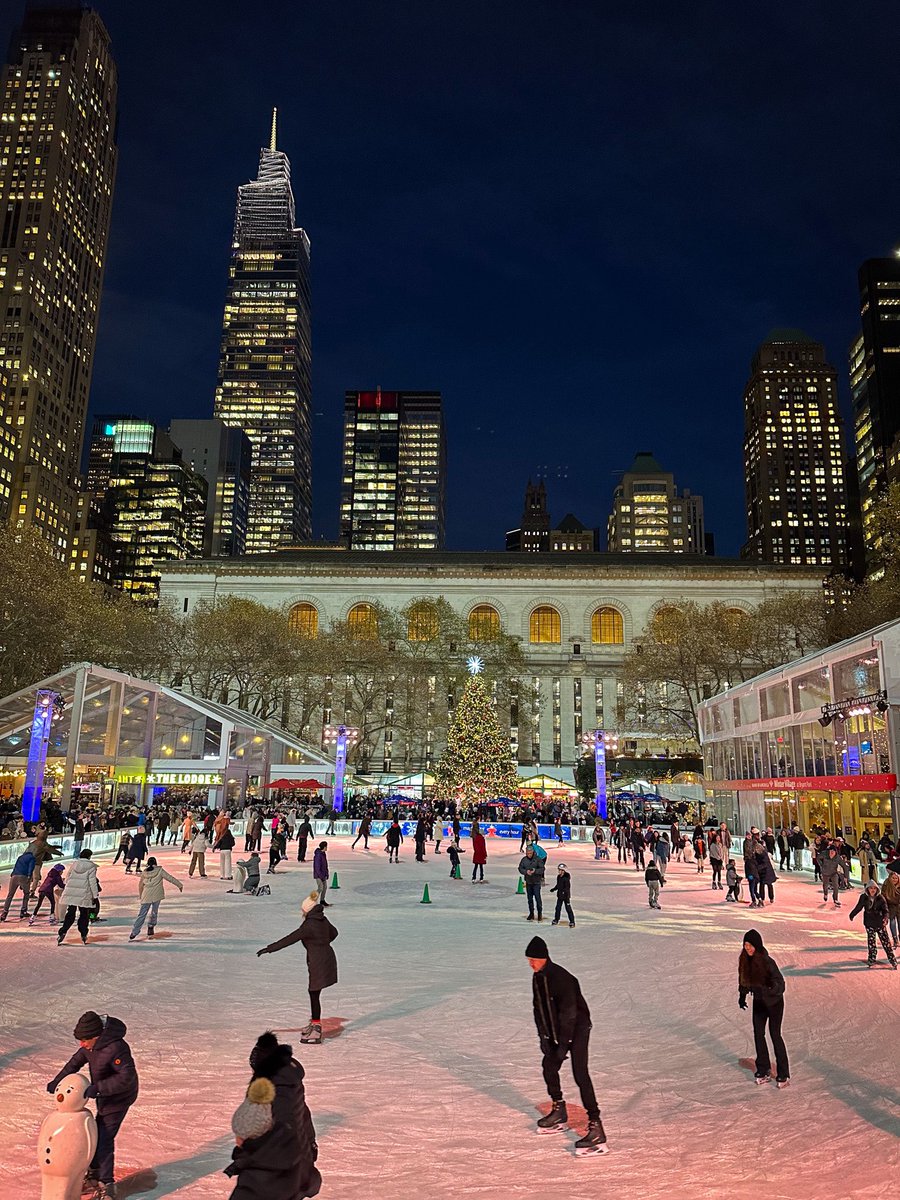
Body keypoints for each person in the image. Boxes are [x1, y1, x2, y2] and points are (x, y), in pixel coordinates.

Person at [525, 936, 607, 1154]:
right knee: (548, 1066)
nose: (531, 964)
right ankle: (559, 1109)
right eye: (529, 959)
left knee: (580, 1075)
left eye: (534, 959)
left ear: (544, 958)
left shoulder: (562, 979)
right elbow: (539, 1009)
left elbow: (569, 1015)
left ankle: (596, 1127)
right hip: (558, 1032)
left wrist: (564, 1045)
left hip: (577, 1030)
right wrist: (544, 1038)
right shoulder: (538, 977)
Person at [47, 1010, 139, 1200]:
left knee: (104, 1139)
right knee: (97, 1134)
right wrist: (57, 1081)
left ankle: (107, 1186)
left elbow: (127, 1077)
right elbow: (74, 1063)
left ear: (96, 1036)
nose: (82, 1044)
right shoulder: (89, 1047)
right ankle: (95, 1173)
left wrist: (97, 1088)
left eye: (85, 1040)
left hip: (119, 1098)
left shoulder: (117, 1047)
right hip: (104, 1095)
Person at [223, 1031, 321, 1198]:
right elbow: (302, 1117)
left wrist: (247, 1156)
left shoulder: (267, 1094)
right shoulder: (290, 1084)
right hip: (296, 1167)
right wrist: (310, 1147)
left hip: (279, 1173)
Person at [257, 891, 339, 1045]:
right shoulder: (322, 919)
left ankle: (316, 1028)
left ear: (307, 910)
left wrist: (269, 949)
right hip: (327, 958)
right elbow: (334, 933)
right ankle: (315, 1022)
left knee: (314, 992)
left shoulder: (309, 925)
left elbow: (289, 939)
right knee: (314, 992)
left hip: (318, 961)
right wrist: (322, 942)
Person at [738, 929, 789, 1087]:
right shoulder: (745, 960)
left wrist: (769, 989)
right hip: (760, 1003)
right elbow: (744, 980)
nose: (748, 948)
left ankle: (783, 1074)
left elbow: (781, 983)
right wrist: (742, 995)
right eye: (746, 945)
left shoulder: (767, 961)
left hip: (774, 1003)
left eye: (750, 945)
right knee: (758, 1034)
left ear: (757, 945)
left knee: (775, 1035)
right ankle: (763, 1068)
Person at [129, 856, 183, 940]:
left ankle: (134, 932)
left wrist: (141, 895)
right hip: (157, 895)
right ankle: (151, 926)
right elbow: (170, 878)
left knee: (142, 914)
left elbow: (140, 885)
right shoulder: (159, 870)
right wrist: (179, 885)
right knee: (154, 912)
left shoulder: (144, 872)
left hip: (146, 896)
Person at [850, 879, 898, 969]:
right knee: (871, 942)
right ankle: (872, 958)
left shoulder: (881, 898)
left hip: (880, 923)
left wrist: (885, 918)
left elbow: (885, 910)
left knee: (886, 943)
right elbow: (859, 907)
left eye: (874, 888)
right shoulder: (863, 897)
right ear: (867, 889)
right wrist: (852, 914)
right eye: (871, 888)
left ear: (877, 889)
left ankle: (892, 960)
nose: (872, 890)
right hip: (869, 923)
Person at [57, 849, 99, 945]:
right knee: (84, 914)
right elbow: (92, 882)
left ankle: (63, 931)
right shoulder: (91, 866)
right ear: (89, 856)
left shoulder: (74, 864)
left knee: (70, 913)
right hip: (84, 893)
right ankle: (83, 933)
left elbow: (67, 878)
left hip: (72, 893)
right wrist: (95, 895)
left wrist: (69, 888)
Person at [0, 847, 36, 921]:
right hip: (24, 876)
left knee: (10, 895)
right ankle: (23, 910)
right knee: (26, 893)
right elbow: (31, 867)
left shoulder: (20, 857)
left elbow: (16, 866)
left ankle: (5, 912)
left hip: (14, 876)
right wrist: (29, 876)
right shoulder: (32, 858)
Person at [518, 844, 545, 922]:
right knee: (530, 899)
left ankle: (540, 914)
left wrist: (535, 871)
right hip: (529, 882)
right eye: (527, 853)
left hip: (536, 882)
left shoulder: (538, 859)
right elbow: (520, 868)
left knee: (537, 898)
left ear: (533, 852)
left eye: (530, 853)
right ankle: (531, 913)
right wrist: (526, 872)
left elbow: (542, 869)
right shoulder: (524, 860)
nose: (529, 854)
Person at [882, 868, 900, 949]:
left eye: (896, 878)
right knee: (892, 922)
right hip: (890, 906)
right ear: (890, 878)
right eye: (893, 878)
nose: (895, 880)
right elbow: (883, 896)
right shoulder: (886, 885)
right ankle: (895, 938)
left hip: (899, 907)